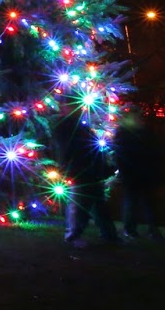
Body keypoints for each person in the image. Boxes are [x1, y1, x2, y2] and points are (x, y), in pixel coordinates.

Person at [51, 102, 118, 246]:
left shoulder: (81, 126)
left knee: (98, 204)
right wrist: (68, 167)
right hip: (80, 170)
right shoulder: (66, 127)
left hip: (90, 169)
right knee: (80, 205)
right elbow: (66, 150)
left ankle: (109, 234)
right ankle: (73, 236)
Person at [111, 109, 165, 242]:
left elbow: (155, 152)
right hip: (133, 175)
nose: (138, 119)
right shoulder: (124, 134)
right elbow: (120, 156)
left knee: (147, 204)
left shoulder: (144, 133)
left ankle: (151, 230)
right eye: (135, 117)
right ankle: (131, 230)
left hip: (144, 174)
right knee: (133, 203)